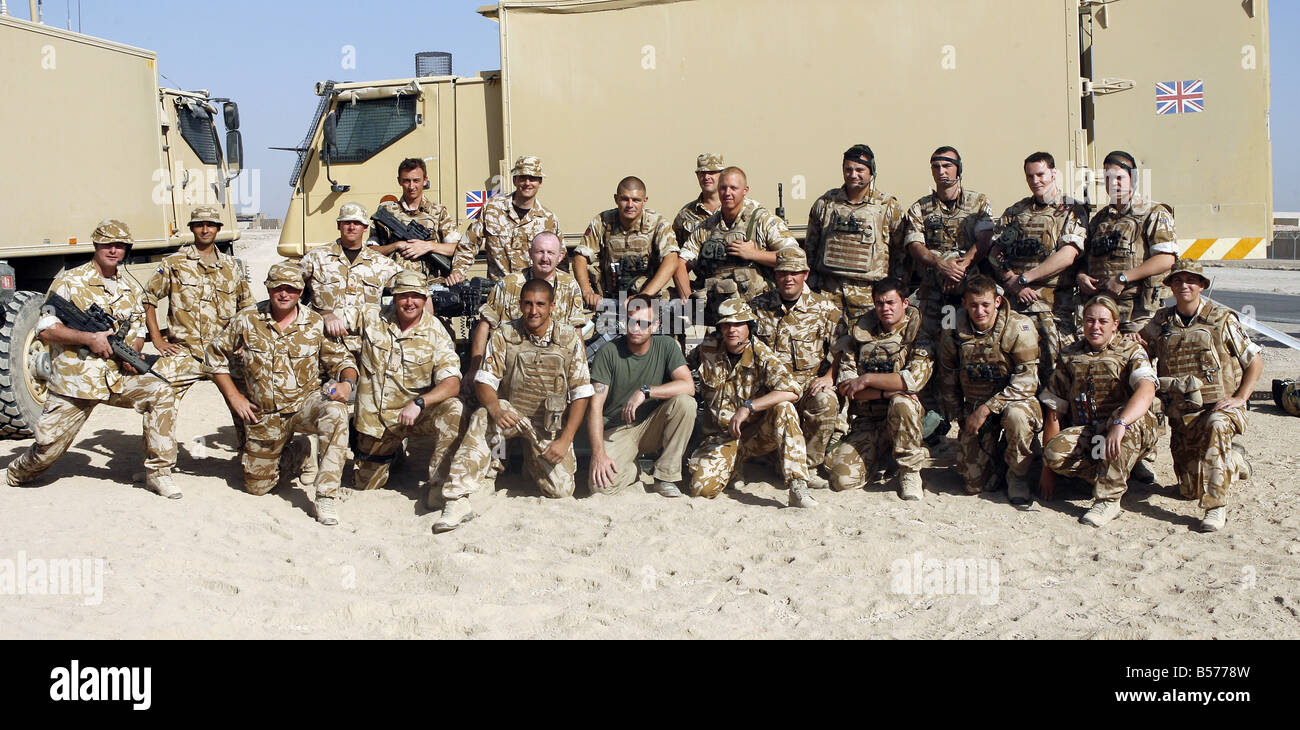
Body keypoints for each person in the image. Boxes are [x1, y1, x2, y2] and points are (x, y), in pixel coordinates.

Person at [6, 219, 180, 498]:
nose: (113, 250)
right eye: (107, 245)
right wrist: (89, 339)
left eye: (120, 246)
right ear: (96, 246)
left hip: (115, 378)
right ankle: (16, 472)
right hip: (75, 383)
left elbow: (136, 332)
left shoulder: (131, 289)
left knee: (161, 391)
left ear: (127, 250)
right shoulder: (69, 282)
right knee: (44, 453)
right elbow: (46, 330)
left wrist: (130, 353)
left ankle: (159, 473)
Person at [205, 262, 357, 526]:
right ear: (268, 288)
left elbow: (343, 361)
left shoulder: (314, 322)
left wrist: (347, 384)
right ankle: (300, 452)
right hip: (264, 412)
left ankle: (326, 495)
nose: (284, 294)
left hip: (304, 405)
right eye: (278, 288)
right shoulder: (247, 319)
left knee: (335, 412)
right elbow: (214, 356)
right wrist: (234, 397)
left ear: (300, 292)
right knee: (257, 486)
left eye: (292, 289)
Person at [436, 279, 593, 533]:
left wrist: (566, 439)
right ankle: (457, 497)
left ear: (552, 306)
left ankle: (531, 464)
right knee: (482, 415)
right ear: (520, 304)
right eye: (528, 304)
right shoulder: (504, 335)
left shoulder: (567, 340)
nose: (534, 311)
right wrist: (495, 407)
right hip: (510, 415)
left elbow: (581, 393)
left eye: (541, 304)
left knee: (562, 490)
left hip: (547, 425)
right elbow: (484, 381)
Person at [1140, 259, 1262, 532]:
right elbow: (1141, 349)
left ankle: (1216, 507)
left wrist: (1241, 397)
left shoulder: (1221, 319)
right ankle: (1234, 461)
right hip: (1183, 411)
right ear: (1170, 285)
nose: (1184, 285)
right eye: (1178, 280)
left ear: (1201, 285)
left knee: (1217, 425)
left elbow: (1254, 361)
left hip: (1219, 406)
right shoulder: (1161, 321)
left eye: (1191, 280)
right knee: (1188, 490)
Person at [1040, 295, 1159, 527]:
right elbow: (1055, 410)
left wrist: (1121, 423)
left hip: (1128, 428)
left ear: (1115, 324)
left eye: (1103, 321)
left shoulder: (1131, 350)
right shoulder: (1070, 355)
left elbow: (1146, 389)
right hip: (1092, 430)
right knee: (1054, 454)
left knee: (1125, 418)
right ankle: (1112, 471)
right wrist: (1047, 470)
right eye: (1090, 320)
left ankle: (1108, 499)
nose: (1095, 327)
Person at [143, 205, 256, 449]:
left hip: (224, 354)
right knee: (156, 396)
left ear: (218, 229)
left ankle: (253, 457)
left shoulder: (231, 266)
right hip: (185, 352)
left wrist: (243, 343)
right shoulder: (174, 263)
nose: (205, 229)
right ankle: (157, 462)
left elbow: (247, 308)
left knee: (251, 403)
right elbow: (148, 297)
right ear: (192, 228)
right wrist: (157, 340)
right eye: (199, 225)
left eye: (210, 225)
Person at [686, 297, 816, 508]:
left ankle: (797, 484)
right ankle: (734, 467)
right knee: (701, 490)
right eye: (726, 324)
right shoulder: (708, 348)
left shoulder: (761, 354)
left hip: (755, 436)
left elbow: (792, 390)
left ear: (749, 326)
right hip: (720, 437)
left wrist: (749, 407)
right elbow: (681, 364)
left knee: (784, 408)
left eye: (738, 324)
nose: (732, 329)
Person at [349, 270, 464, 504]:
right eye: (403, 295)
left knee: (454, 409)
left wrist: (420, 403)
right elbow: (324, 319)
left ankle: (439, 483)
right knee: (366, 485)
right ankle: (394, 453)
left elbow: (452, 383)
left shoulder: (437, 333)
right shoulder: (372, 317)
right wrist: (330, 318)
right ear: (394, 296)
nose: (409, 302)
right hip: (378, 422)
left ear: (425, 298)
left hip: (415, 416)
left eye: (416, 296)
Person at [937, 274, 1042, 504]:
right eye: (973, 305)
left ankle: (1018, 475)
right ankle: (999, 457)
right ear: (964, 303)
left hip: (1015, 402)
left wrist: (986, 409)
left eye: (985, 304)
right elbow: (948, 376)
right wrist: (961, 417)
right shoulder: (954, 330)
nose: (980, 311)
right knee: (973, 484)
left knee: (1016, 417)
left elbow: (1027, 382)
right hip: (974, 406)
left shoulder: (1019, 327)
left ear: (997, 301)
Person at [987, 151, 1089, 385]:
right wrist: (1010, 280)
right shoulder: (1016, 212)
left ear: (1053, 173)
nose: (1036, 181)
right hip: (1017, 306)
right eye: (1030, 176)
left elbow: (1068, 255)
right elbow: (994, 252)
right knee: (1016, 369)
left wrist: (1025, 279)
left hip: (1054, 309)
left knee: (1055, 372)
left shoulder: (1071, 210)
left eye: (1041, 174)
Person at [826, 278, 933, 500]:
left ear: (905, 303)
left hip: (906, 419)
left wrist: (867, 379)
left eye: (891, 302)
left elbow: (911, 381)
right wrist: (886, 391)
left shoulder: (919, 335)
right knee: (841, 480)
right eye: (879, 303)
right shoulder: (860, 335)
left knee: (902, 402)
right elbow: (847, 386)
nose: (885, 308)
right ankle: (883, 456)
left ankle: (909, 471)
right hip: (867, 420)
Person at [749, 247, 842, 489]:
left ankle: (807, 465)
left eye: (794, 273)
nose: (788, 278)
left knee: (826, 401)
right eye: (782, 273)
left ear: (805, 274)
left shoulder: (826, 309)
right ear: (774, 275)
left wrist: (830, 376)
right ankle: (773, 457)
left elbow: (844, 350)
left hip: (807, 386)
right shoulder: (758, 307)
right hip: (770, 389)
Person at [587, 295, 695, 497]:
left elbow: (688, 386)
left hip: (651, 425)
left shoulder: (667, 346)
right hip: (618, 429)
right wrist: (598, 454)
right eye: (631, 321)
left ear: (655, 325)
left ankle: (665, 477)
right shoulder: (608, 352)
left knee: (685, 404)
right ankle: (634, 470)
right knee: (600, 487)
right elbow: (595, 406)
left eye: (643, 323)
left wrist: (646, 392)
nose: (636, 328)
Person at [679, 166, 798, 323]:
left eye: (733, 188)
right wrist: (687, 298)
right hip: (717, 313)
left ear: (745, 190)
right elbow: (681, 263)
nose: (727, 193)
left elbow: (795, 257)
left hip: (757, 311)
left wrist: (754, 254)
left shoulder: (763, 220)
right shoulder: (707, 227)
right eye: (723, 188)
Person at [1078, 150, 1177, 334]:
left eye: (1119, 178)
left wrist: (1123, 278)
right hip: (1103, 314)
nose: (1113, 184)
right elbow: (1085, 259)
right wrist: (1082, 276)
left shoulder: (1152, 213)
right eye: (1107, 178)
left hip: (1138, 314)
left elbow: (1166, 258)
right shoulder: (1100, 220)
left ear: (1132, 179)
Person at [468, 232, 590, 380]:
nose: (545, 258)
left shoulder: (570, 286)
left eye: (550, 253)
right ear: (530, 253)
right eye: (540, 252)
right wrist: (474, 370)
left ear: (561, 256)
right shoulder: (509, 284)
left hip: (554, 367)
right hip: (511, 366)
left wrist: (582, 373)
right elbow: (484, 325)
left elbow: (576, 332)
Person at [804, 144, 905, 322]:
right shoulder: (826, 203)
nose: (853, 174)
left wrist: (894, 287)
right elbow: (811, 246)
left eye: (860, 170)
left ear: (871, 172)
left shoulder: (887, 206)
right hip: (829, 291)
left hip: (870, 294)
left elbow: (901, 252)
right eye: (848, 169)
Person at [299, 202, 403, 355]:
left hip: (369, 346)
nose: (352, 227)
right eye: (347, 222)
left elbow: (410, 288)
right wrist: (322, 313)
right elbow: (287, 287)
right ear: (339, 225)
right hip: (325, 343)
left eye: (357, 223)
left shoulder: (382, 264)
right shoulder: (316, 258)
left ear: (365, 227)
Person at [446, 155, 561, 285]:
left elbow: (560, 261)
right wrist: (458, 272)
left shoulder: (548, 219)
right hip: (498, 292)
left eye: (532, 178)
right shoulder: (492, 209)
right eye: (522, 178)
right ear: (515, 180)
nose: (527, 183)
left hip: (533, 294)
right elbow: (468, 244)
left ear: (539, 183)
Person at [572, 176, 680, 308]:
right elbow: (580, 257)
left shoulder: (658, 223)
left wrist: (644, 296)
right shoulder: (602, 221)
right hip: (610, 301)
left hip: (647, 302)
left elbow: (672, 259)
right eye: (625, 199)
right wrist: (587, 291)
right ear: (616, 199)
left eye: (636, 200)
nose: (630, 205)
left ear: (644, 201)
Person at [367, 157, 462, 279]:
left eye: (416, 180)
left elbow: (458, 248)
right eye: (406, 181)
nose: (411, 186)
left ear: (425, 181)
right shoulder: (387, 214)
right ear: (399, 181)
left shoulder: (438, 212)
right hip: (396, 286)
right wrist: (396, 245)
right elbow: (369, 252)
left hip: (432, 286)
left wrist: (428, 246)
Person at [670, 153, 725, 299]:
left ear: (722, 174)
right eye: (702, 173)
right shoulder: (685, 214)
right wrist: (688, 299)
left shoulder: (735, 209)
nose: (706, 177)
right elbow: (676, 259)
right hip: (703, 288)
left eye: (712, 172)